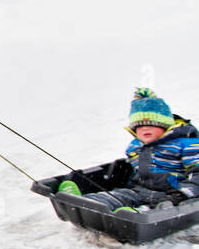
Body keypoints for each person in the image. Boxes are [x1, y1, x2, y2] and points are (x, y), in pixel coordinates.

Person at [57, 88, 199, 211]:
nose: (145, 128)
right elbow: (133, 170)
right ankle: (83, 202)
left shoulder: (186, 144)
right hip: (139, 191)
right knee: (118, 196)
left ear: (166, 126)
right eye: (139, 126)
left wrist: (183, 193)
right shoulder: (136, 146)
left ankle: (129, 215)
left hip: (173, 195)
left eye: (153, 124)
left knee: (161, 210)